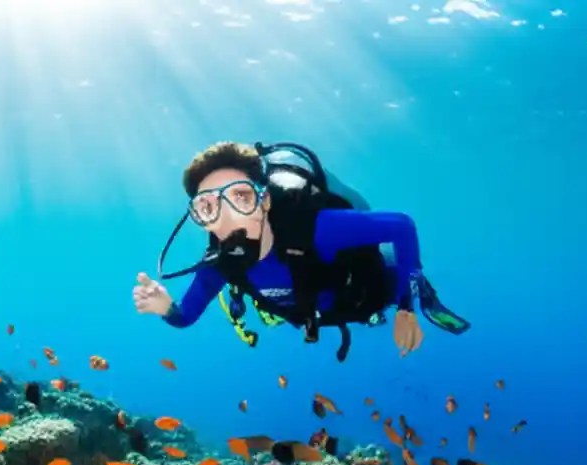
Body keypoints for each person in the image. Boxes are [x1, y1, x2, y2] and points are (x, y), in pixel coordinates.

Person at [134, 141, 468, 361]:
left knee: (391, 277)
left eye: (240, 197)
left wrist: (408, 307)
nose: (227, 217)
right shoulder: (221, 266)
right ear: (201, 219)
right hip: (315, 312)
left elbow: (402, 225)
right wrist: (165, 308)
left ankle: (421, 288)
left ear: (264, 200)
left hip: (371, 293)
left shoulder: (315, 228)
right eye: (207, 206)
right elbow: (185, 317)